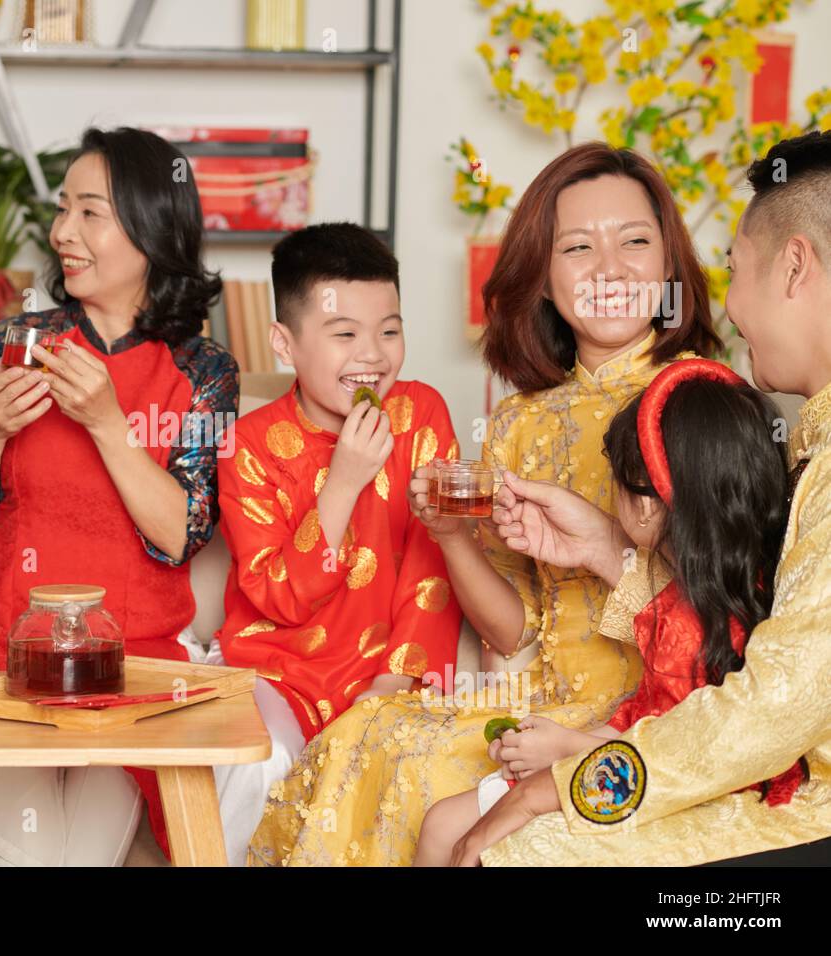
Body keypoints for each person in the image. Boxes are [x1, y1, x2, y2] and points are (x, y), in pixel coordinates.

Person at [248, 142, 721, 867]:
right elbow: (513, 631)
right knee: (373, 735)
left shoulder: (701, 402)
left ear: (669, 265)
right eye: (577, 248)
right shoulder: (517, 422)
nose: (610, 270)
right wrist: (454, 539)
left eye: (634, 242)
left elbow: (726, 617)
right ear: (543, 276)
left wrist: (603, 546)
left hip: (655, 705)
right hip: (535, 697)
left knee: (424, 774)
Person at [459, 131, 831, 867]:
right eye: (576, 250)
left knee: (520, 847)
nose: (730, 306)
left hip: (795, 800)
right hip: (744, 760)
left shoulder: (703, 401)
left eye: (735, 272)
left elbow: (770, 707)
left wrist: (558, 783)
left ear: (794, 267)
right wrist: (604, 548)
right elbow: (737, 632)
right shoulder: (806, 442)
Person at [0, 127, 237, 866]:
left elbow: (182, 533)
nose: (63, 231)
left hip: (132, 659)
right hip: (5, 649)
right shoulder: (13, 342)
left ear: (150, 228)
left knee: (83, 853)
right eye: (63, 209)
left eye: (90, 212)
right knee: (27, 851)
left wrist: (107, 424)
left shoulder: (203, 371)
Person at [416, 359, 805, 865]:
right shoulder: (718, 593)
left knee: (448, 826)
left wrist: (568, 747)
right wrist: (561, 742)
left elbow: (678, 749)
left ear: (644, 505)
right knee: (445, 821)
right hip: (625, 759)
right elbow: (648, 714)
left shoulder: (697, 626)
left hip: (663, 792)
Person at [209, 223, 462, 866]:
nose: (371, 355)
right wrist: (343, 484)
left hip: (390, 674)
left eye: (389, 331)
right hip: (278, 673)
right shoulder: (249, 447)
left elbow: (434, 571)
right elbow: (280, 599)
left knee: (415, 773)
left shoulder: (421, 414)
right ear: (284, 344)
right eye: (344, 334)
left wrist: (392, 683)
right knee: (259, 762)